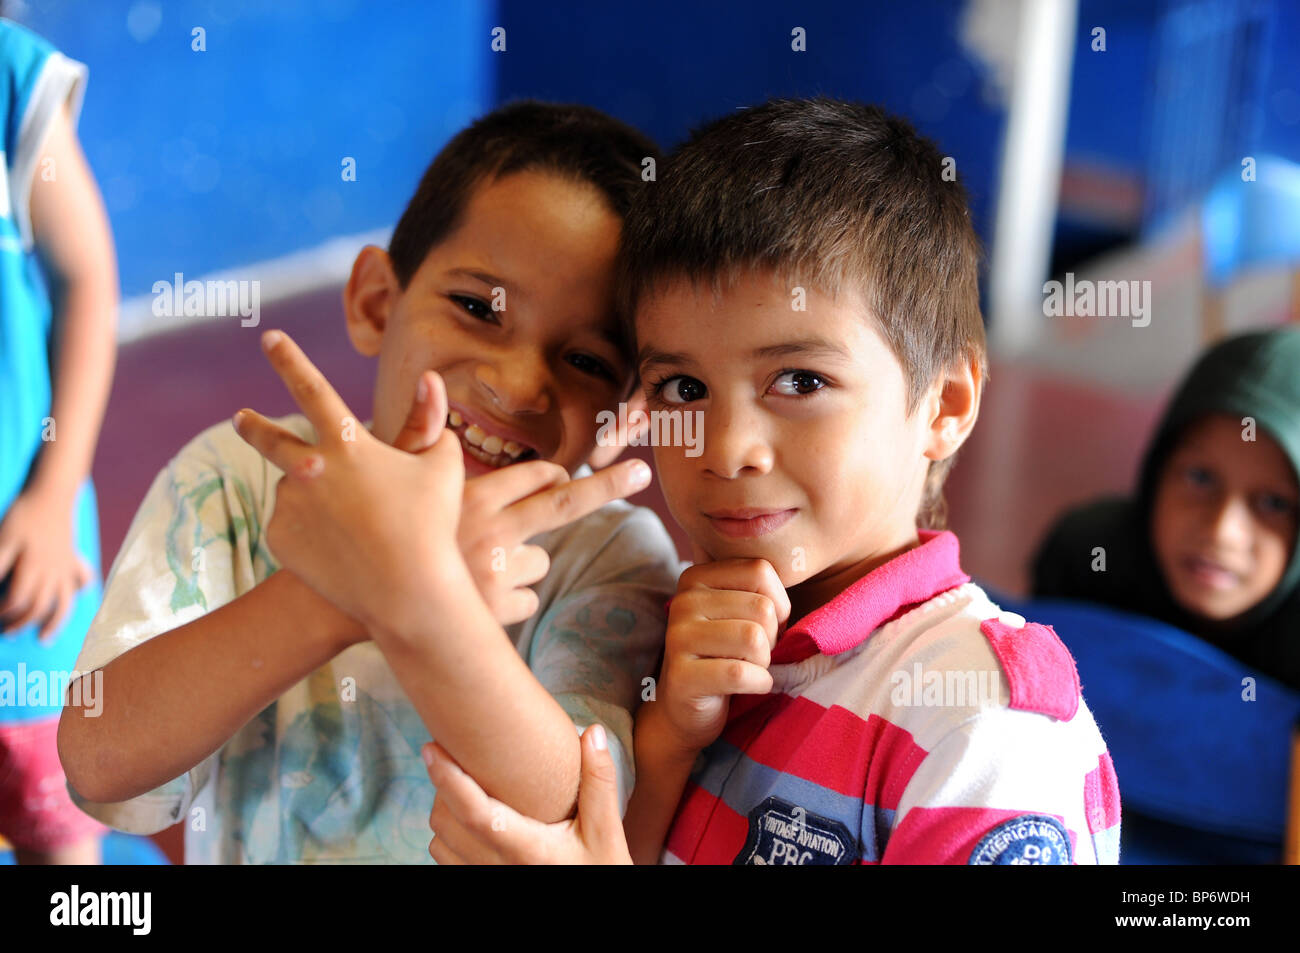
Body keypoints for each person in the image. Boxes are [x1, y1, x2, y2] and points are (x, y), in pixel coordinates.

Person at [429, 96, 1121, 864]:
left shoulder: (981, 722)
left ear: (946, 403)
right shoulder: (678, 647)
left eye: (799, 379)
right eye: (684, 389)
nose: (728, 450)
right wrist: (665, 742)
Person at [58, 101, 681, 863]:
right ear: (375, 303)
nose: (519, 386)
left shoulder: (612, 558)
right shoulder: (241, 476)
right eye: (479, 307)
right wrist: (351, 591)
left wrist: (423, 600)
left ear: (626, 412)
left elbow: (574, 808)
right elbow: (100, 761)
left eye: (587, 361)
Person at [0, 18, 117, 865]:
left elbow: (87, 279)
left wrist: (51, 498)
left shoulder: (10, 81)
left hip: (26, 572)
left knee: (53, 811)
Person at [1033, 328, 1300, 690]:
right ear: (1158, 468)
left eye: (1274, 503)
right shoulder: (1085, 565)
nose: (1221, 531)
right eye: (1200, 477)